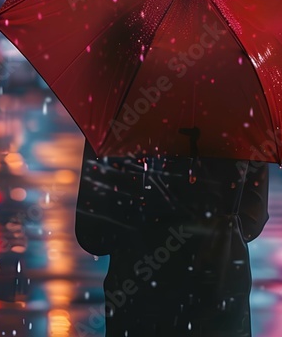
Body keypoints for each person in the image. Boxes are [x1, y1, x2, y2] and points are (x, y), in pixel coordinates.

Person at [74, 134, 269, 336]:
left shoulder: (118, 118)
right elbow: (251, 222)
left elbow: (94, 235)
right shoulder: (245, 115)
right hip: (220, 291)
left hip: (138, 295)